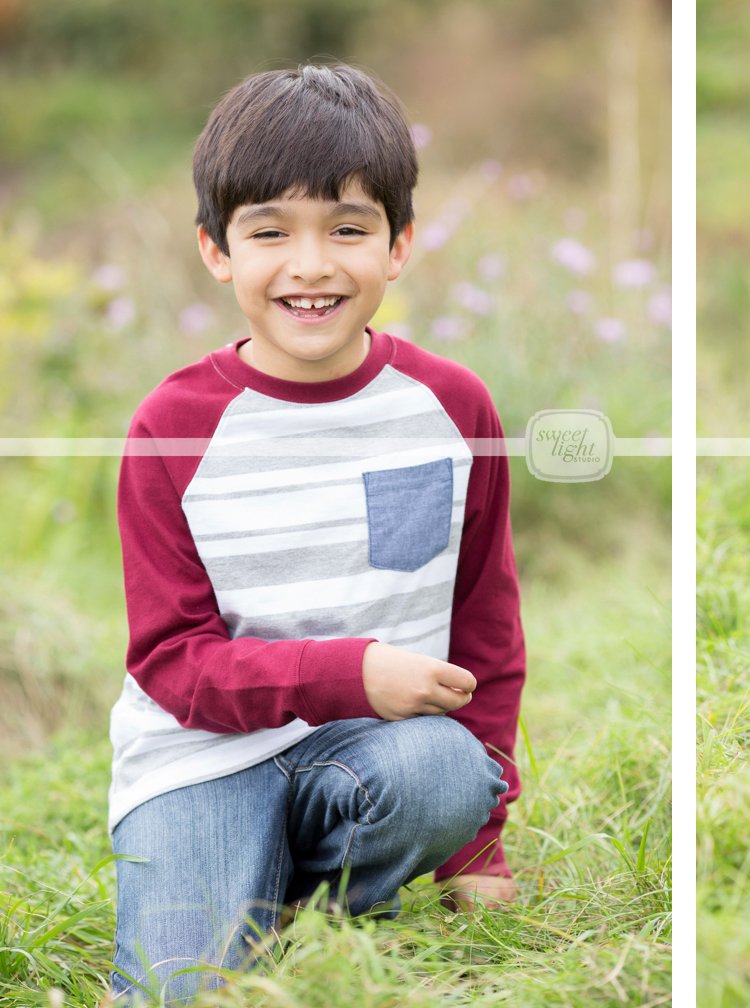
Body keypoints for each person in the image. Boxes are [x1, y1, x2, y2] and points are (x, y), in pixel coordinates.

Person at [109, 63, 525, 1003]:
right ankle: (247, 894)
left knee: (445, 771)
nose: (311, 265)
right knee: (184, 989)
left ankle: (315, 891)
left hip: (372, 750)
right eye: (269, 232)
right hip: (200, 757)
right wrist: (349, 671)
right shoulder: (172, 426)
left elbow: (484, 621)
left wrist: (479, 841)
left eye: (348, 228)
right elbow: (171, 659)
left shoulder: (451, 407)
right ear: (217, 251)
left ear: (400, 244)